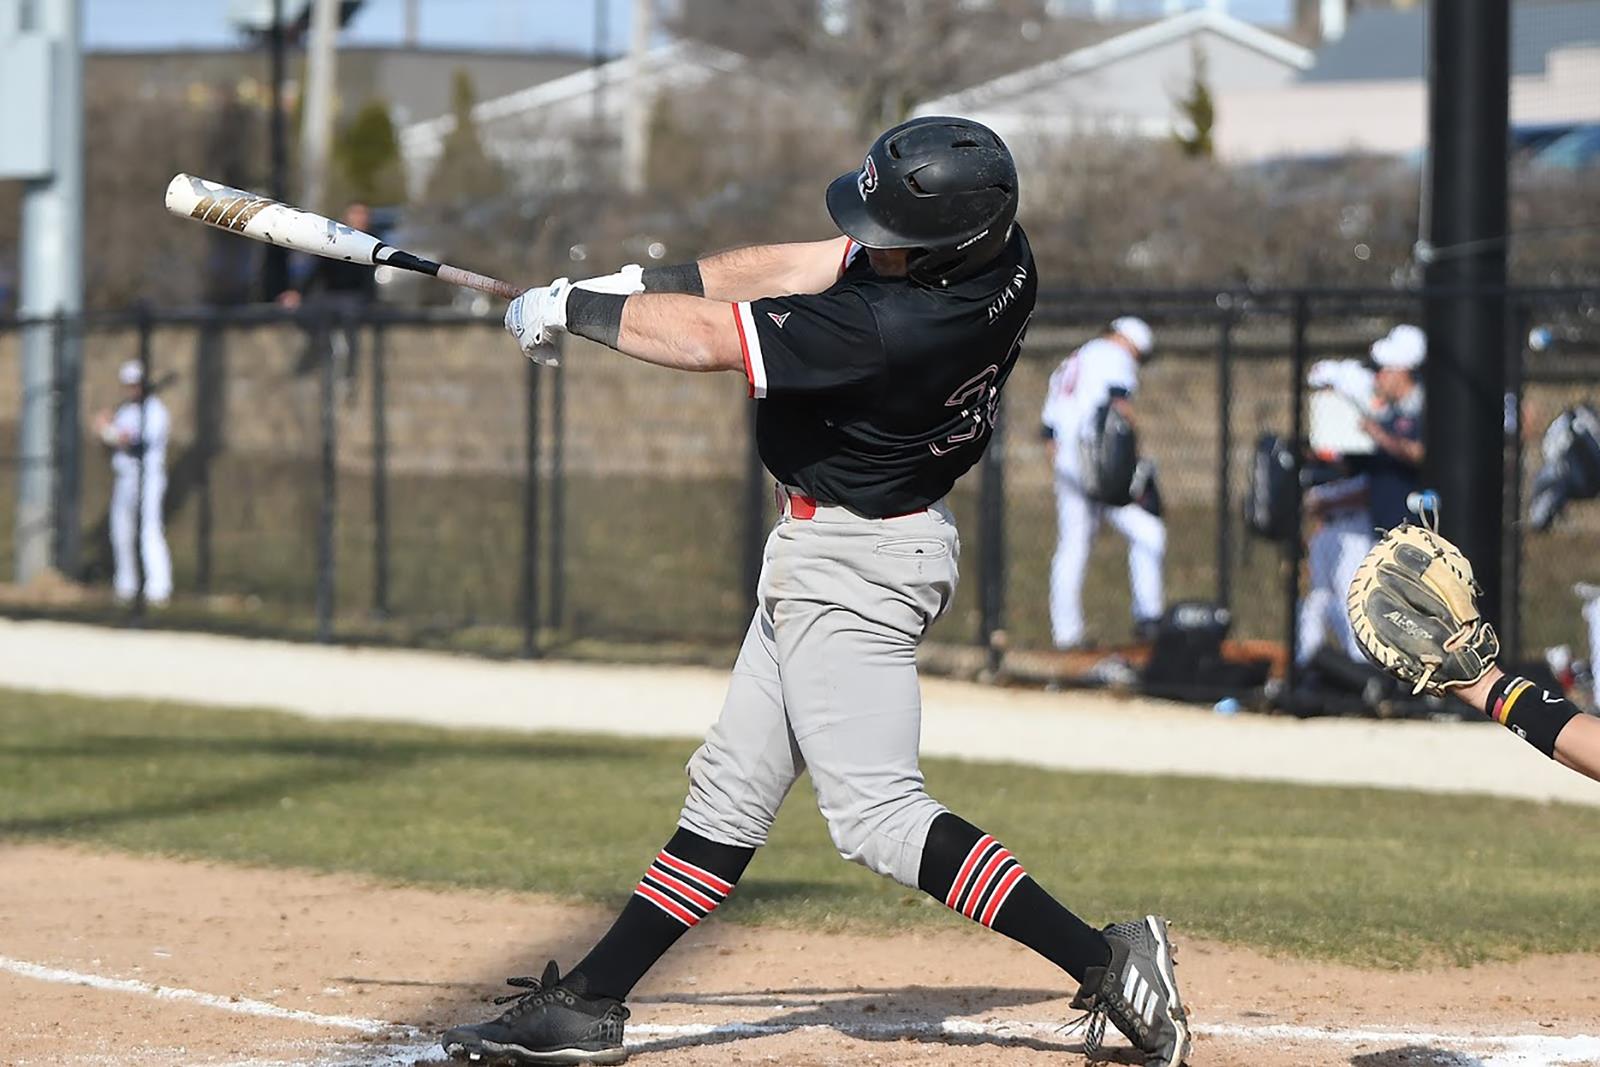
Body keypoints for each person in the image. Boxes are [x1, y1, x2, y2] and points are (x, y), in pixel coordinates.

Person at [441, 117, 1190, 1067]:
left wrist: (579, 310)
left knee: (879, 816)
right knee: (728, 797)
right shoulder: (996, 257)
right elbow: (801, 262)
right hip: (846, 546)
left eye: (890, 235)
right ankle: (588, 1003)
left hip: (855, 568)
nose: (867, 246)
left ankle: (1110, 959)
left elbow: (717, 337)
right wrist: (642, 283)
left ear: (943, 244)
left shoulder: (890, 326)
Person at [1040, 317, 1165, 649]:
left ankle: (1066, 634)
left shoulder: (1076, 357)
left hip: (1067, 459)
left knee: (1072, 546)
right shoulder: (1114, 356)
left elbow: (1048, 430)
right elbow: (1119, 407)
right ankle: (1148, 618)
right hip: (1098, 461)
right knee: (1149, 532)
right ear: (1129, 342)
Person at [93, 360, 172, 606]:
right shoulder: (126, 411)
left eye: (136, 384)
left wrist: (110, 431)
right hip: (125, 477)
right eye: (128, 384)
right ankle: (126, 585)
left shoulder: (156, 410)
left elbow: (137, 444)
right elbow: (115, 444)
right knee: (120, 531)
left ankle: (159, 588)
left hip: (148, 477)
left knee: (149, 529)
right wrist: (106, 429)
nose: (132, 389)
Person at [277, 201, 379, 387]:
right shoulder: (335, 242)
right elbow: (316, 269)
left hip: (354, 298)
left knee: (349, 316)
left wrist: (373, 301)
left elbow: (373, 280)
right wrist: (297, 292)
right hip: (331, 296)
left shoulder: (374, 245)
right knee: (307, 312)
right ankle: (323, 345)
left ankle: (348, 373)